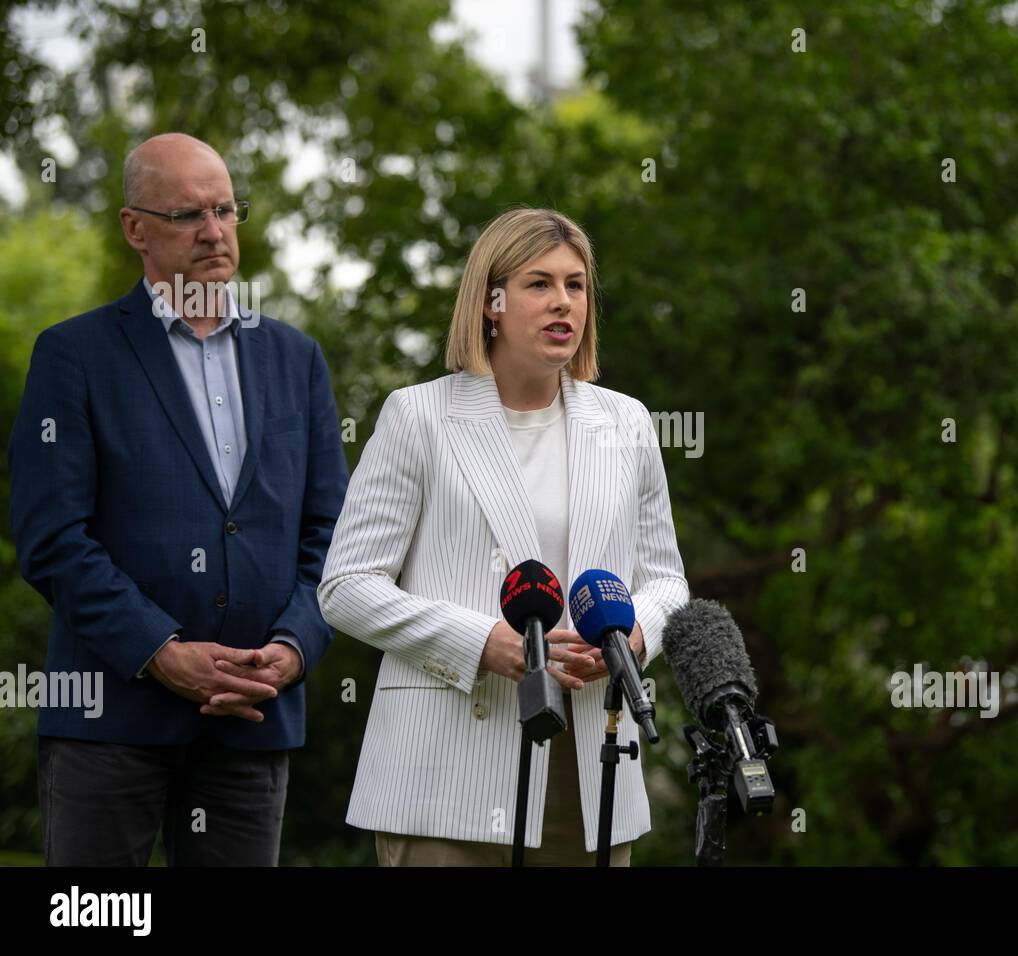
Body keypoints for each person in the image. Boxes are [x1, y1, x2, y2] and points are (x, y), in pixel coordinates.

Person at [6, 133, 349, 866]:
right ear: (136, 229)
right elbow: (51, 538)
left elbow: (334, 536)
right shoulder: (74, 356)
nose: (215, 231)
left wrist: (293, 647)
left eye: (226, 210)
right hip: (108, 720)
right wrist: (158, 650)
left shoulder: (296, 358)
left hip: (253, 718)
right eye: (189, 214)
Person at [319, 207, 690, 865]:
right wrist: (480, 642)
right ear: (491, 303)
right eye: (539, 283)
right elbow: (346, 587)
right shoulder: (418, 417)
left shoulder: (626, 421)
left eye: (576, 285)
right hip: (445, 772)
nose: (563, 303)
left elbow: (666, 581)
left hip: (590, 767)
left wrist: (633, 637)